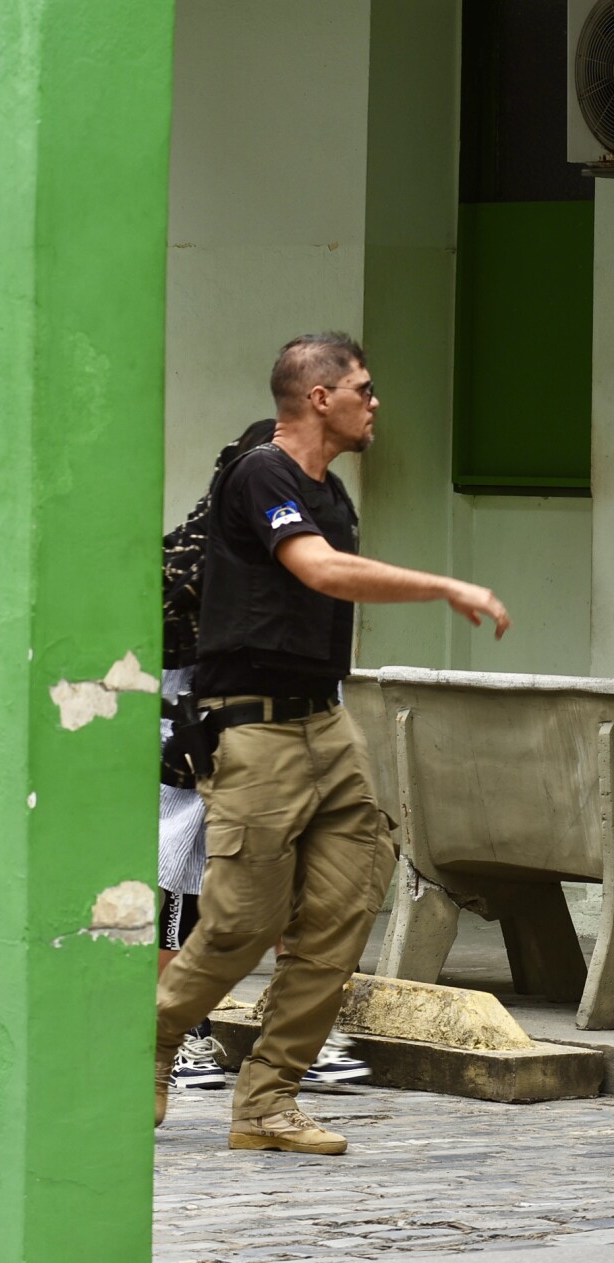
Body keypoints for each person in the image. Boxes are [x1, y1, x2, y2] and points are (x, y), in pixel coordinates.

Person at [155, 333, 510, 1153]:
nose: (376, 403)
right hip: (254, 726)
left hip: (325, 719)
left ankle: (267, 1101)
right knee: (243, 921)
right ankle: (149, 1038)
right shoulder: (261, 473)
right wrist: (443, 585)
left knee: (345, 908)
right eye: (364, 388)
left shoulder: (331, 490)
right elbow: (315, 568)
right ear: (320, 397)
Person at [159, 419, 371, 1095]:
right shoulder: (202, 552)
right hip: (211, 743)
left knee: (311, 889)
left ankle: (298, 1037)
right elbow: (170, 652)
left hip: (301, 741)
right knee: (195, 889)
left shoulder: (315, 538)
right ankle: (176, 1036)